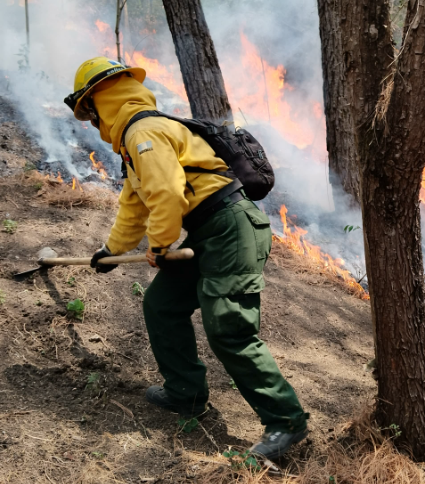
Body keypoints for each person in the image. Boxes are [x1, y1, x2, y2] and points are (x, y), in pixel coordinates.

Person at [64, 57, 308, 460]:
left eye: (89, 113)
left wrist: (160, 246)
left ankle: (286, 420)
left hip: (230, 229)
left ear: (99, 102)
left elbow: (167, 194)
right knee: (162, 304)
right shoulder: (137, 138)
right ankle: (185, 393)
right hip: (209, 230)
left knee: (228, 327)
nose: (92, 122)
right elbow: (134, 205)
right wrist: (112, 251)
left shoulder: (144, 132)